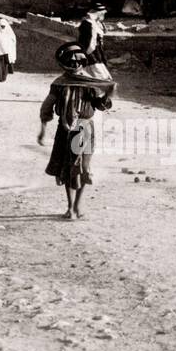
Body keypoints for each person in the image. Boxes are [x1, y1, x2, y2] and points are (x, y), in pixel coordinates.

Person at [39, 44, 116, 220]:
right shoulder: (59, 84)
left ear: (82, 62)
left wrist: (108, 96)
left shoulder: (91, 83)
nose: (75, 65)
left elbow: (100, 105)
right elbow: (47, 107)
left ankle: (77, 206)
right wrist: (42, 130)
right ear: (64, 64)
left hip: (85, 129)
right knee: (68, 168)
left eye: (78, 62)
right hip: (65, 130)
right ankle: (70, 207)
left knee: (83, 167)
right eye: (71, 62)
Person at [78, 3, 112, 81]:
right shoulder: (88, 23)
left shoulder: (96, 23)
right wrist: (89, 53)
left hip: (96, 50)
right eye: (103, 14)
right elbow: (89, 40)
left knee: (100, 73)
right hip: (90, 50)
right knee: (97, 73)